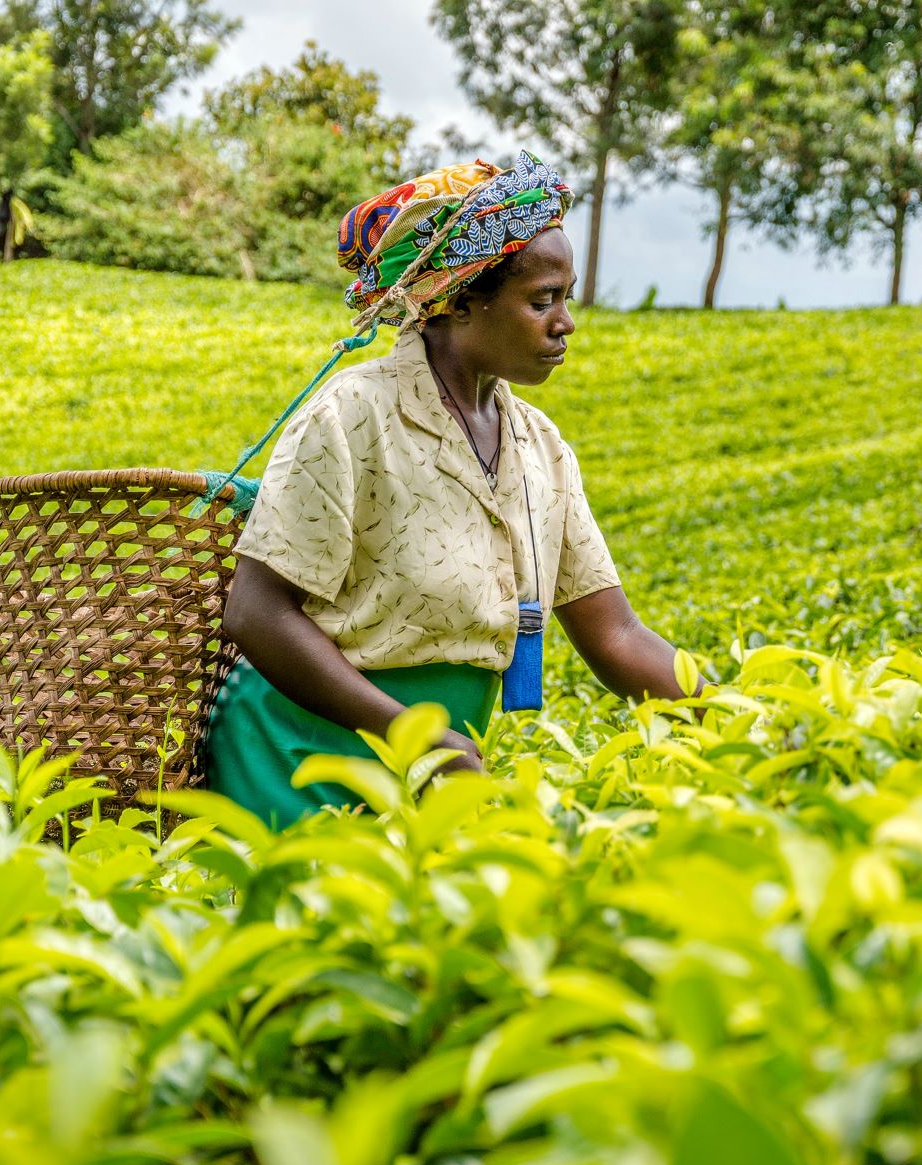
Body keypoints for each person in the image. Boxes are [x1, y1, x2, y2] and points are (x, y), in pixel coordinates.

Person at [205, 150, 694, 829]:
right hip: (300, 758)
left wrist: (737, 717)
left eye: (566, 299)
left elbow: (614, 635)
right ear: (460, 302)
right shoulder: (352, 416)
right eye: (541, 301)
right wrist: (417, 738)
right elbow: (257, 613)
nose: (565, 324)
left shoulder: (539, 448)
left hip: (439, 764)